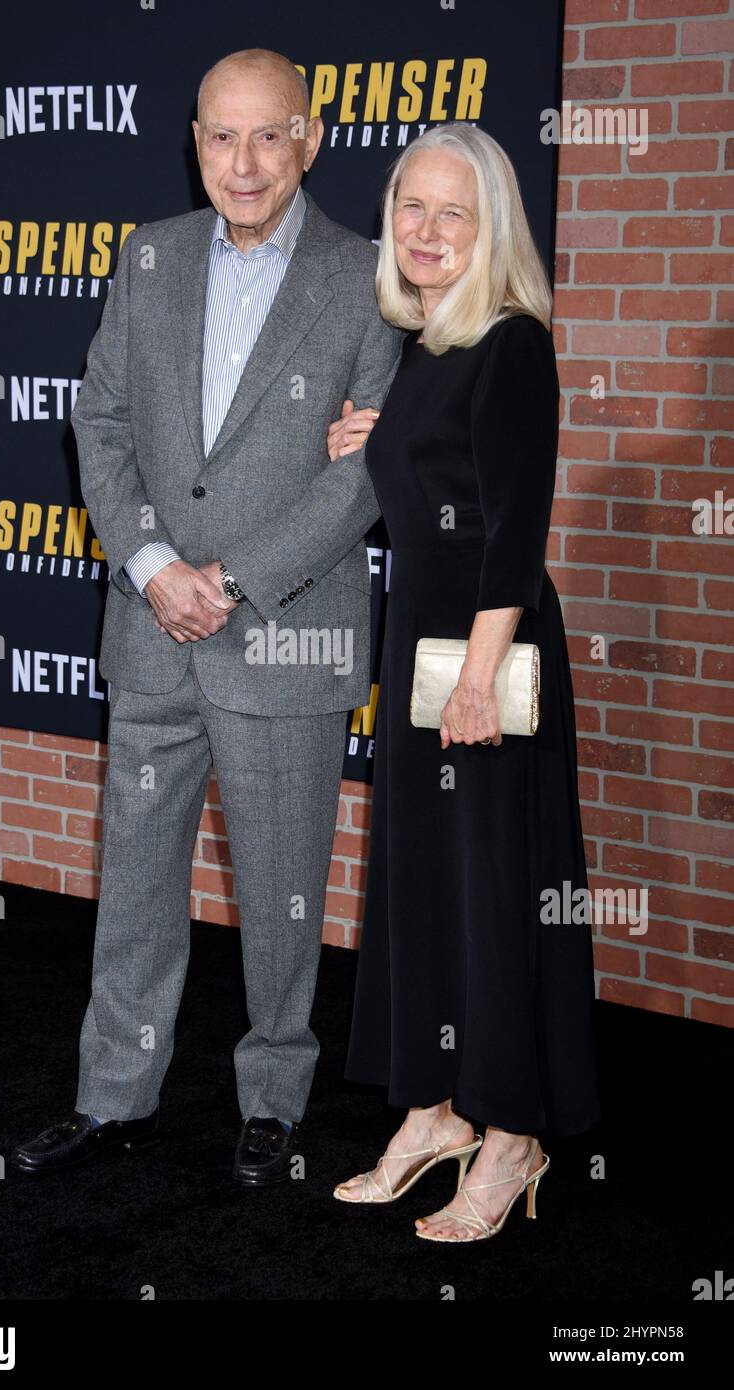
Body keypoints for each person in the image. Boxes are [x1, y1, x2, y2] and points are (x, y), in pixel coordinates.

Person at [10, 48, 403, 1185]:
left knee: (282, 896)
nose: (244, 162)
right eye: (222, 137)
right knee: (135, 883)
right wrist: (149, 564)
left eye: (269, 135)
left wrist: (225, 581)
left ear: (310, 140)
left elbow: (363, 476)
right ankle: (113, 1095)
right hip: (152, 627)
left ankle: (273, 1099)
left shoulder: (365, 276)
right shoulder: (151, 257)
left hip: (282, 633)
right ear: (195, 143)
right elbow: (100, 420)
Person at [328, 123, 601, 1239]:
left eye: (455, 212)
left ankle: (513, 1134)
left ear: (492, 229)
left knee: (493, 891)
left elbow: (513, 529)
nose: (428, 230)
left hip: (485, 653)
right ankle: (434, 1110)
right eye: (412, 206)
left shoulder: (513, 342)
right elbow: (438, 491)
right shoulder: (426, 346)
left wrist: (480, 679)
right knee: (426, 883)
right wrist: (377, 442)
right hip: (421, 651)